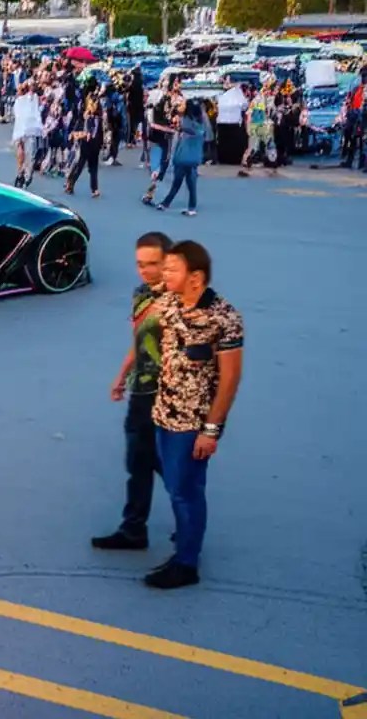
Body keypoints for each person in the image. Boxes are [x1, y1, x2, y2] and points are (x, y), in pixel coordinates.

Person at [146, 240, 244, 589]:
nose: (164, 274)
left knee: (186, 491)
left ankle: (187, 564)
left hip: (193, 425)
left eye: (173, 269)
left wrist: (212, 431)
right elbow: (149, 317)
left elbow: (230, 379)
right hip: (163, 413)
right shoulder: (170, 300)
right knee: (176, 486)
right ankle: (186, 536)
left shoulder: (224, 318)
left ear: (196, 277)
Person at [93, 232, 171, 552]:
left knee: (158, 460)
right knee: (140, 458)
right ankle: (134, 527)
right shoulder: (140, 293)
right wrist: (122, 375)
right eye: (140, 264)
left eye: (153, 264)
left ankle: (184, 518)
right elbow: (140, 340)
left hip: (167, 391)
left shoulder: (178, 301)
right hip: (141, 388)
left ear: (169, 261)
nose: (146, 271)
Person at [156, 99, 205, 216]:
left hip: (182, 158)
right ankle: (192, 207)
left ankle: (165, 203)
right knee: (192, 184)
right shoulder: (201, 123)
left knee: (176, 183)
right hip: (194, 158)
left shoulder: (185, 121)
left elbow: (179, 141)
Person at [66, 98, 103, 198]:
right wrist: (77, 134)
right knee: (79, 166)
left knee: (93, 169)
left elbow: (99, 133)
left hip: (94, 146)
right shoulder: (87, 118)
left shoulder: (98, 119)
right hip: (85, 145)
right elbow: (87, 133)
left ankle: (94, 189)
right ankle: (70, 183)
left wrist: (100, 144)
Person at [11, 80, 43, 188]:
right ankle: (21, 174)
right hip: (21, 131)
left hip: (31, 132)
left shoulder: (34, 99)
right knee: (22, 155)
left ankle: (26, 176)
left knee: (29, 155)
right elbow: (17, 116)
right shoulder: (20, 101)